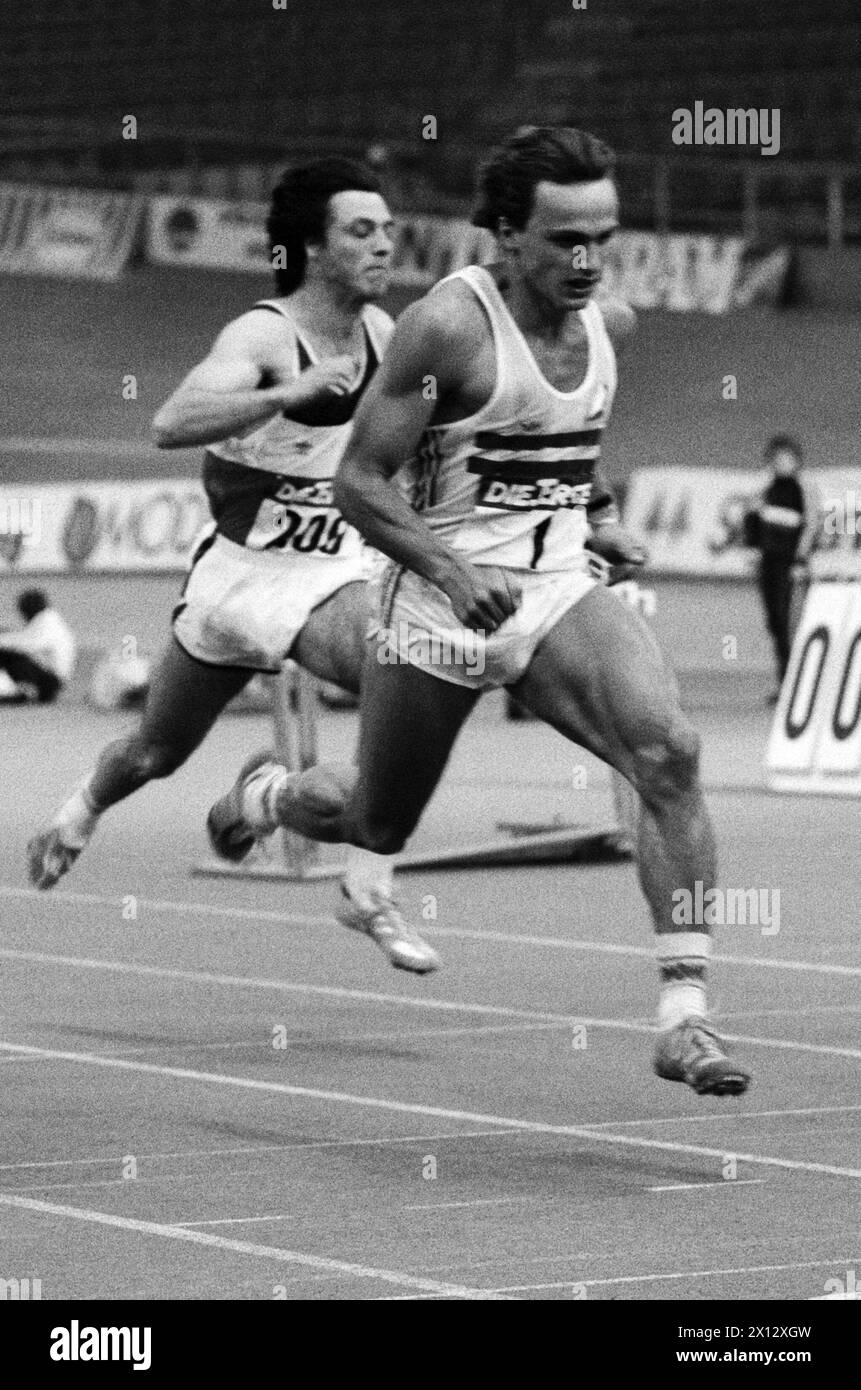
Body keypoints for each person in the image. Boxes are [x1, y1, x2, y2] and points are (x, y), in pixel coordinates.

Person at [208, 126, 750, 1097]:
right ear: (504, 234)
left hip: (551, 594)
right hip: (433, 605)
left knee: (670, 749)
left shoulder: (606, 324)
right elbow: (360, 480)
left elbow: (561, 446)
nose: (587, 262)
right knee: (377, 815)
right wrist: (453, 572)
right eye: (563, 240)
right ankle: (267, 797)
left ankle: (684, 1015)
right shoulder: (445, 330)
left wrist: (601, 514)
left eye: (604, 237)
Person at [26, 157, 438, 974]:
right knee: (153, 753)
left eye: (389, 229)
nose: (385, 244)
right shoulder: (261, 334)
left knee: (408, 674)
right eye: (362, 230)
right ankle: (80, 817)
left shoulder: (386, 337)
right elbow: (171, 421)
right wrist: (284, 394)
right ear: (314, 248)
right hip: (239, 580)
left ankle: (364, 886)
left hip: (326, 576)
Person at [747, 435, 813, 703]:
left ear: (796, 462)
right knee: (775, 624)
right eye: (776, 459)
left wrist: (800, 561)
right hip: (769, 566)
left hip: (791, 568)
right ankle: (786, 684)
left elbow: (811, 526)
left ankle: (798, 687)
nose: (781, 464)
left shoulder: (803, 490)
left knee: (790, 626)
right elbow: (753, 523)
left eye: (787, 459)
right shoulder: (767, 490)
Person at [0, 589, 76, 703]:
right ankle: (14, 691)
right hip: (49, 680)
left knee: (8, 654)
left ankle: (13, 691)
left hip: (49, 682)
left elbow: (28, 645)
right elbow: (24, 640)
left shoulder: (47, 622)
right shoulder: (48, 619)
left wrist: (3, 638)